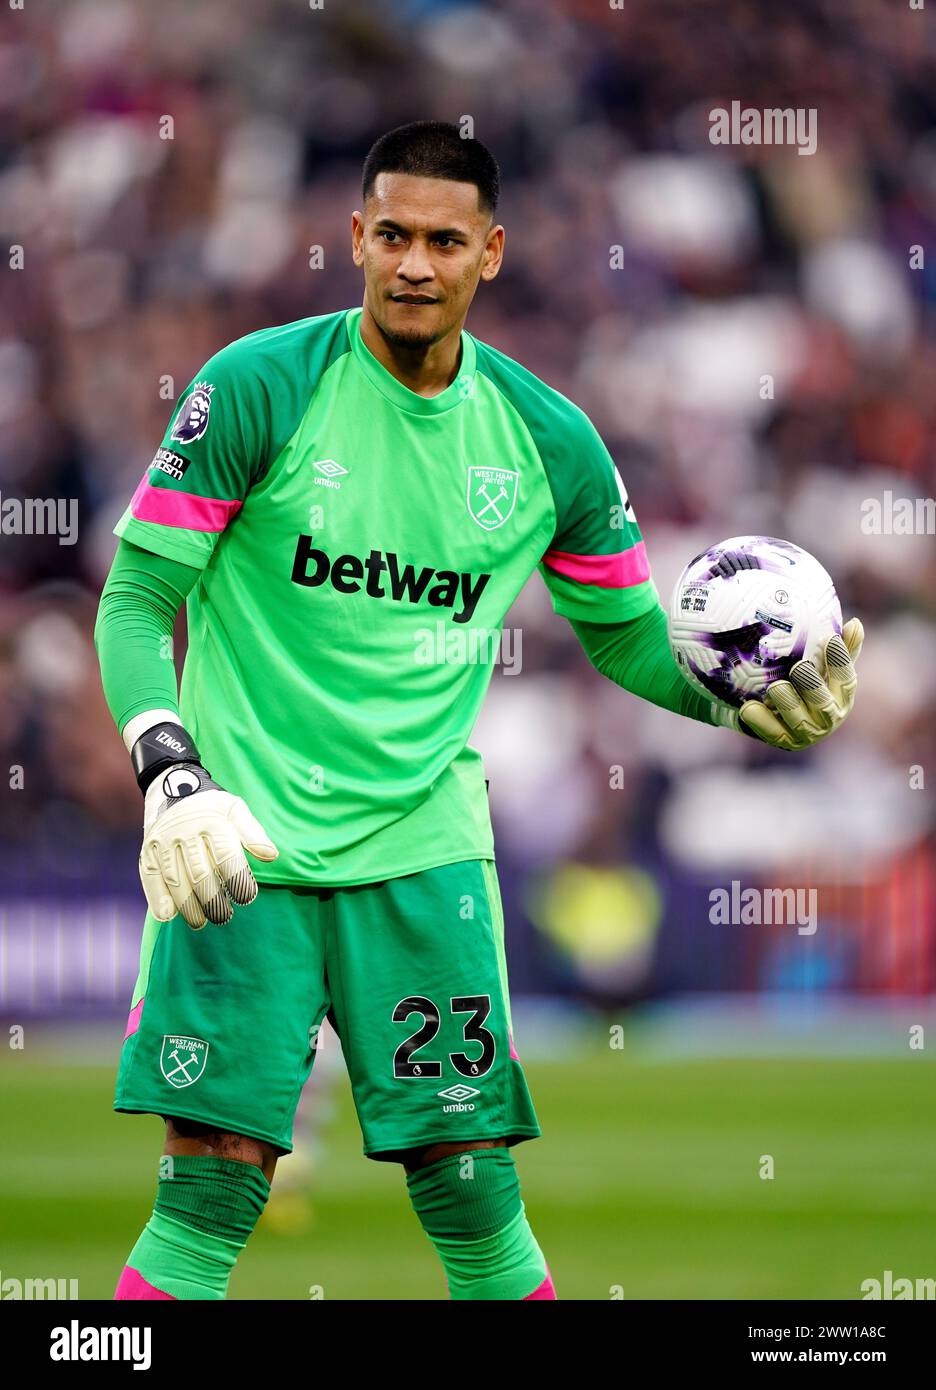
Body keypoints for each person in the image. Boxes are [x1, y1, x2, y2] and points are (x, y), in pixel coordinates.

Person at [95, 120, 862, 1301]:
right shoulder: (259, 384)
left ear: (490, 253)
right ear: (355, 237)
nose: (413, 263)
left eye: (443, 241)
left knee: (471, 1190)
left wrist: (738, 706)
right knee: (212, 1185)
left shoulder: (549, 439)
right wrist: (172, 772)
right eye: (391, 235)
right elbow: (139, 600)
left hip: (424, 856)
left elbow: (630, 637)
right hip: (239, 846)